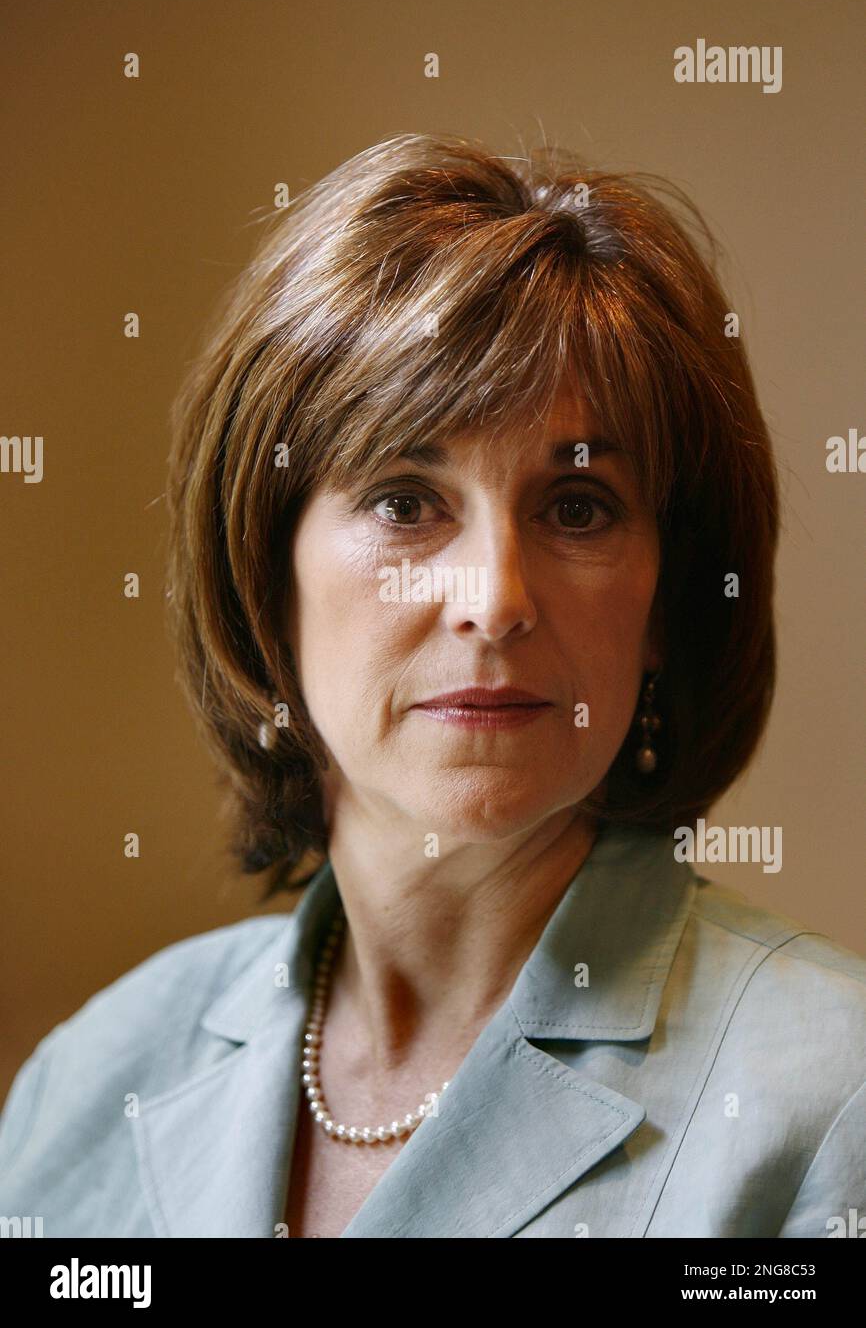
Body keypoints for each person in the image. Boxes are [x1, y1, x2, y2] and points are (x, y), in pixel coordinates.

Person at [1, 132, 864, 1239]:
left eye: (577, 507)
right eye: (406, 500)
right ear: (266, 572)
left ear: (668, 602)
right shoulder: (87, 1078)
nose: (494, 598)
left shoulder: (830, 1101)